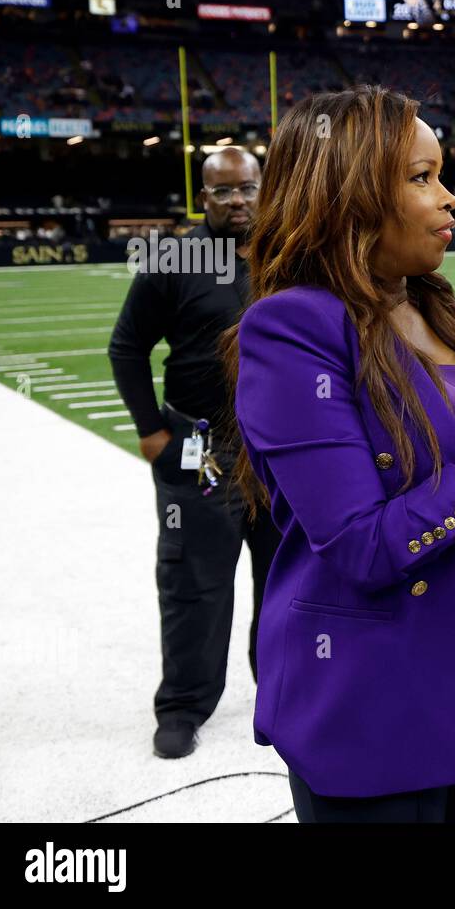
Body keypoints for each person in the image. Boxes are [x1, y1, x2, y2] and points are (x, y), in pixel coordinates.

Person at [225, 86, 455, 823]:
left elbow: (453, 438)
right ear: (350, 195)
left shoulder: (423, 297)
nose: (450, 198)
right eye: (421, 177)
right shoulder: (292, 327)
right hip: (379, 678)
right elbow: (364, 547)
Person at [108, 147, 281, 760]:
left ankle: (280, 691)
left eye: (247, 189)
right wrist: (151, 429)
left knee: (285, 578)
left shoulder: (288, 249)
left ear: (265, 188)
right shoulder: (175, 257)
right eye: (223, 193)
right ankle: (183, 704)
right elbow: (126, 346)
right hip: (199, 447)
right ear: (202, 197)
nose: (238, 202)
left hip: (281, 451)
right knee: (194, 583)